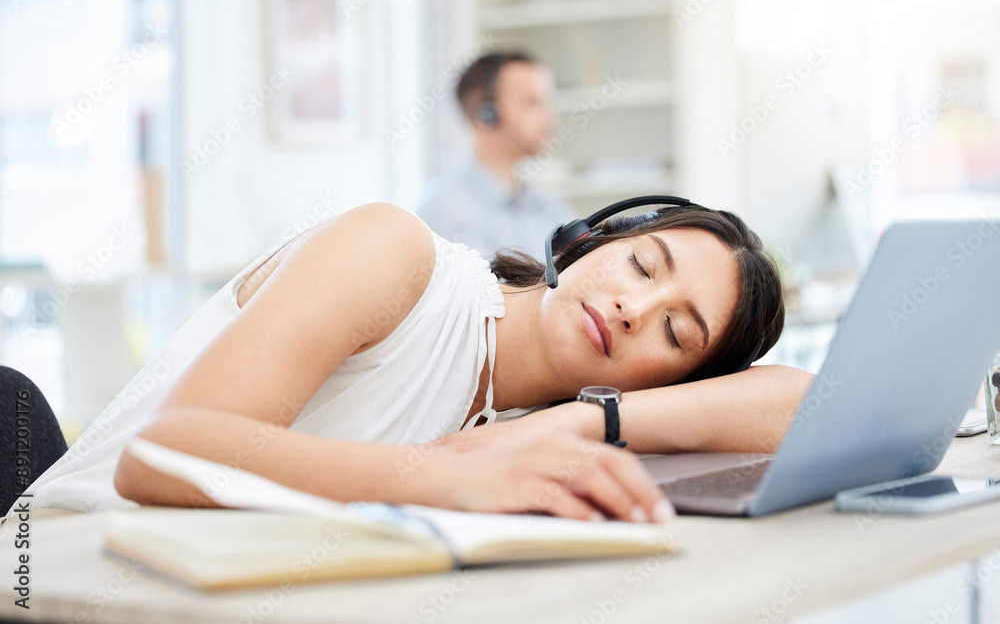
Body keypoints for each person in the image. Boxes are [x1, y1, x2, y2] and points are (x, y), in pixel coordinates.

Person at [2, 201, 813, 525]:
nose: (637, 309)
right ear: (592, 239)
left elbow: (806, 403)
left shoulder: (539, 424)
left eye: (676, 335)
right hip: (61, 578)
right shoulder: (398, 256)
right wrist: (436, 474)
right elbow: (162, 456)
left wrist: (591, 416)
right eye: (642, 266)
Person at [417, 52, 577, 260]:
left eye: (547, 102)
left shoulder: (549, 205)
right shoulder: (446, 211)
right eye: (532, 103)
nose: (549, 118)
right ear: (487, 114)